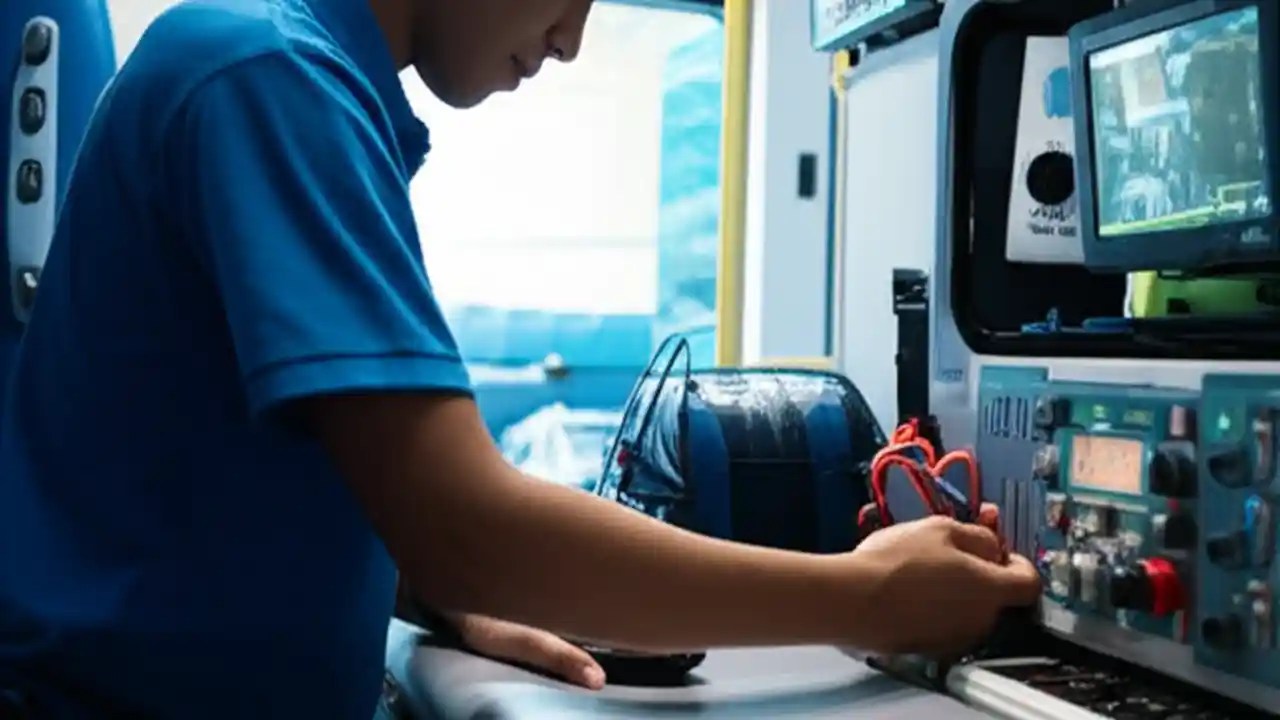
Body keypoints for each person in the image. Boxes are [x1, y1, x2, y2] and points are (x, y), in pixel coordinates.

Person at [0, 0, 1042, 717]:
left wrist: (425, 593)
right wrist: (862, 596)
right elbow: (467, 523)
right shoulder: (266, 78)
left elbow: (239, 489)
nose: (572, 40)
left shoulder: (273, 65)